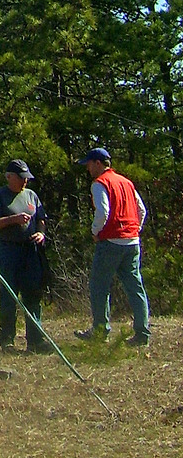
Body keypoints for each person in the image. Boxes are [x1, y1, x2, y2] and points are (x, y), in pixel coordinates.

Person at [75, 147, 150, 347]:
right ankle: (142, 333)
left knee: (100, 286)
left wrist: (95, 231)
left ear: (98, 163)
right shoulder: (126, 182)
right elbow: (141, 210)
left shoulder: (99, 183)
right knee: (135, 287)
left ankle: (100, 331)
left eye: (89, 164)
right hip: (132, 241)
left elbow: (103, 211)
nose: (88, 169)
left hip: (110, 241)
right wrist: (135, 229)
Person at [0, 159, 51, 353]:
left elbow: (41, 219)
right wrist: (13, 219)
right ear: (9, 177)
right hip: (10, 251)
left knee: (33, 295)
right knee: (9, 295)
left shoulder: (31, 195)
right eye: (21, 178)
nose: (24, 182)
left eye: (26, 178)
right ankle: (7, 341)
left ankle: (36, 340)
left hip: (31, 251)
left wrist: (41, 233)